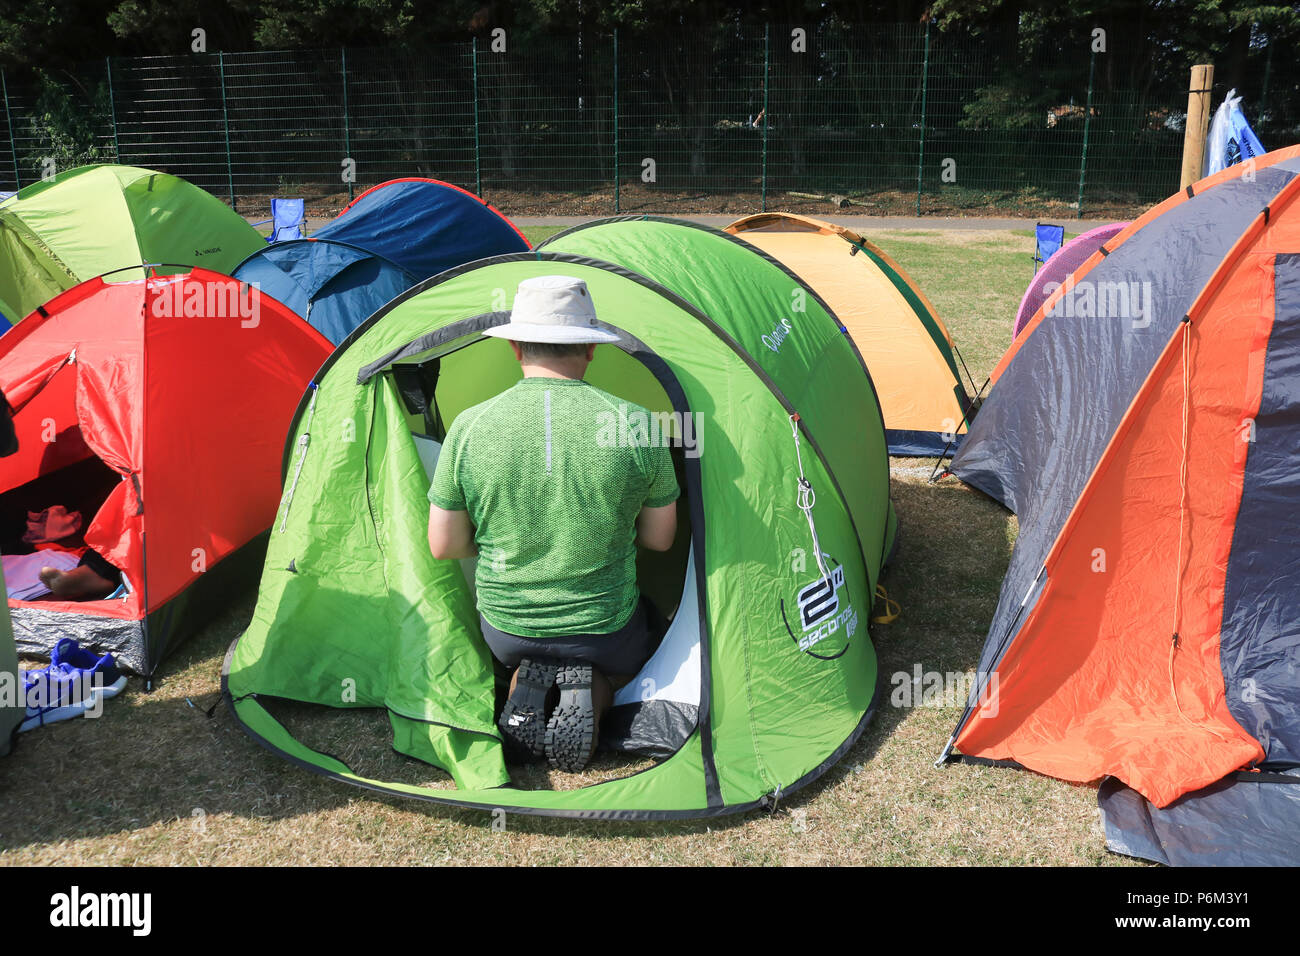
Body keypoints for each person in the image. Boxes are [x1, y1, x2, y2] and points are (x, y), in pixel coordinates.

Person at [427, 275, 679, 772]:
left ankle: (525, 686)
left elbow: (444, 545)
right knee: (642, 627)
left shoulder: (469, 426)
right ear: (590, 348)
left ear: (515, 346)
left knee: (529, 651)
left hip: (506, 627)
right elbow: (661, 539)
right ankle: (594, 692)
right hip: (604, 629)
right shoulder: (637, 424)